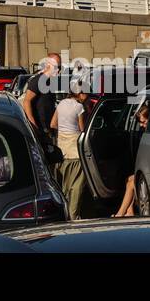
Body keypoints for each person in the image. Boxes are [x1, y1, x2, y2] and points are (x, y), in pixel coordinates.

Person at [51, 88, 89, 219]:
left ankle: (65, 214)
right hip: (76, 152)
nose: (88, 96)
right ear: (80, 93)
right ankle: (74, 215)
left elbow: (53, 124)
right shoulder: (79, 107)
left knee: (65, 186)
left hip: (62, 151)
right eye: (86, 93)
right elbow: (83, 130)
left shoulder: (61, 103)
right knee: (77, 186)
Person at [114, 100, 150, 217]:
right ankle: (129, 212)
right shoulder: (148, 132)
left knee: (131, 183)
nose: (141, 125)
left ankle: (120, 214)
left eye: (144, 122)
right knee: (129, 179)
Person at [21, 53, 61, 147]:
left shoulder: (50, 82)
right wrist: (33, 126)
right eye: (55, 66)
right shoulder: (39, 80)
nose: (58, 70)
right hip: (40, 130)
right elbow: (27, 101)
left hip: (48, 129)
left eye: (59, 67)